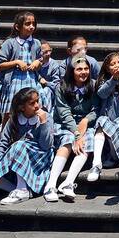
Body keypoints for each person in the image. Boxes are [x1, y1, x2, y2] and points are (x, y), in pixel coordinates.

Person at [0, 87, 54, 205]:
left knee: (19, 145)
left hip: (39, 159)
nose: (37, 105)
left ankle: (22, 189)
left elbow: (46, 146)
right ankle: (18, 189)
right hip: (18, 160)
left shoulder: (45, 117)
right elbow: (2, 144)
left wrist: (43, 123)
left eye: (37, 101)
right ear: (22, 107)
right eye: (32, 103)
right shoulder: (14, 120)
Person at [44, 55, 97, 201]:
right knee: (67, 140)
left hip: (84, 123)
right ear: (71, 71)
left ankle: (68, 182)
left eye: (86, 69)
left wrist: (86, 120)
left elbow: (96, 109)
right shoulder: (62, 87)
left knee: (88, 141)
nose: (83, 72)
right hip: (65, 123)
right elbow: (64, 113)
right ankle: (51, 184)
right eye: (79, 69)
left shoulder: (93, 85)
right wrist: (77, 133)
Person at [88, 53, 119, 183]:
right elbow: (101, 94)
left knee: (108, 125)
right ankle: (96, 164)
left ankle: (114, 157)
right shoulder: (104, 80)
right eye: (112, 64)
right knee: (102, 122)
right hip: (106, 120)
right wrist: (113, 79)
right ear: (107, 68)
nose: (117, 65)